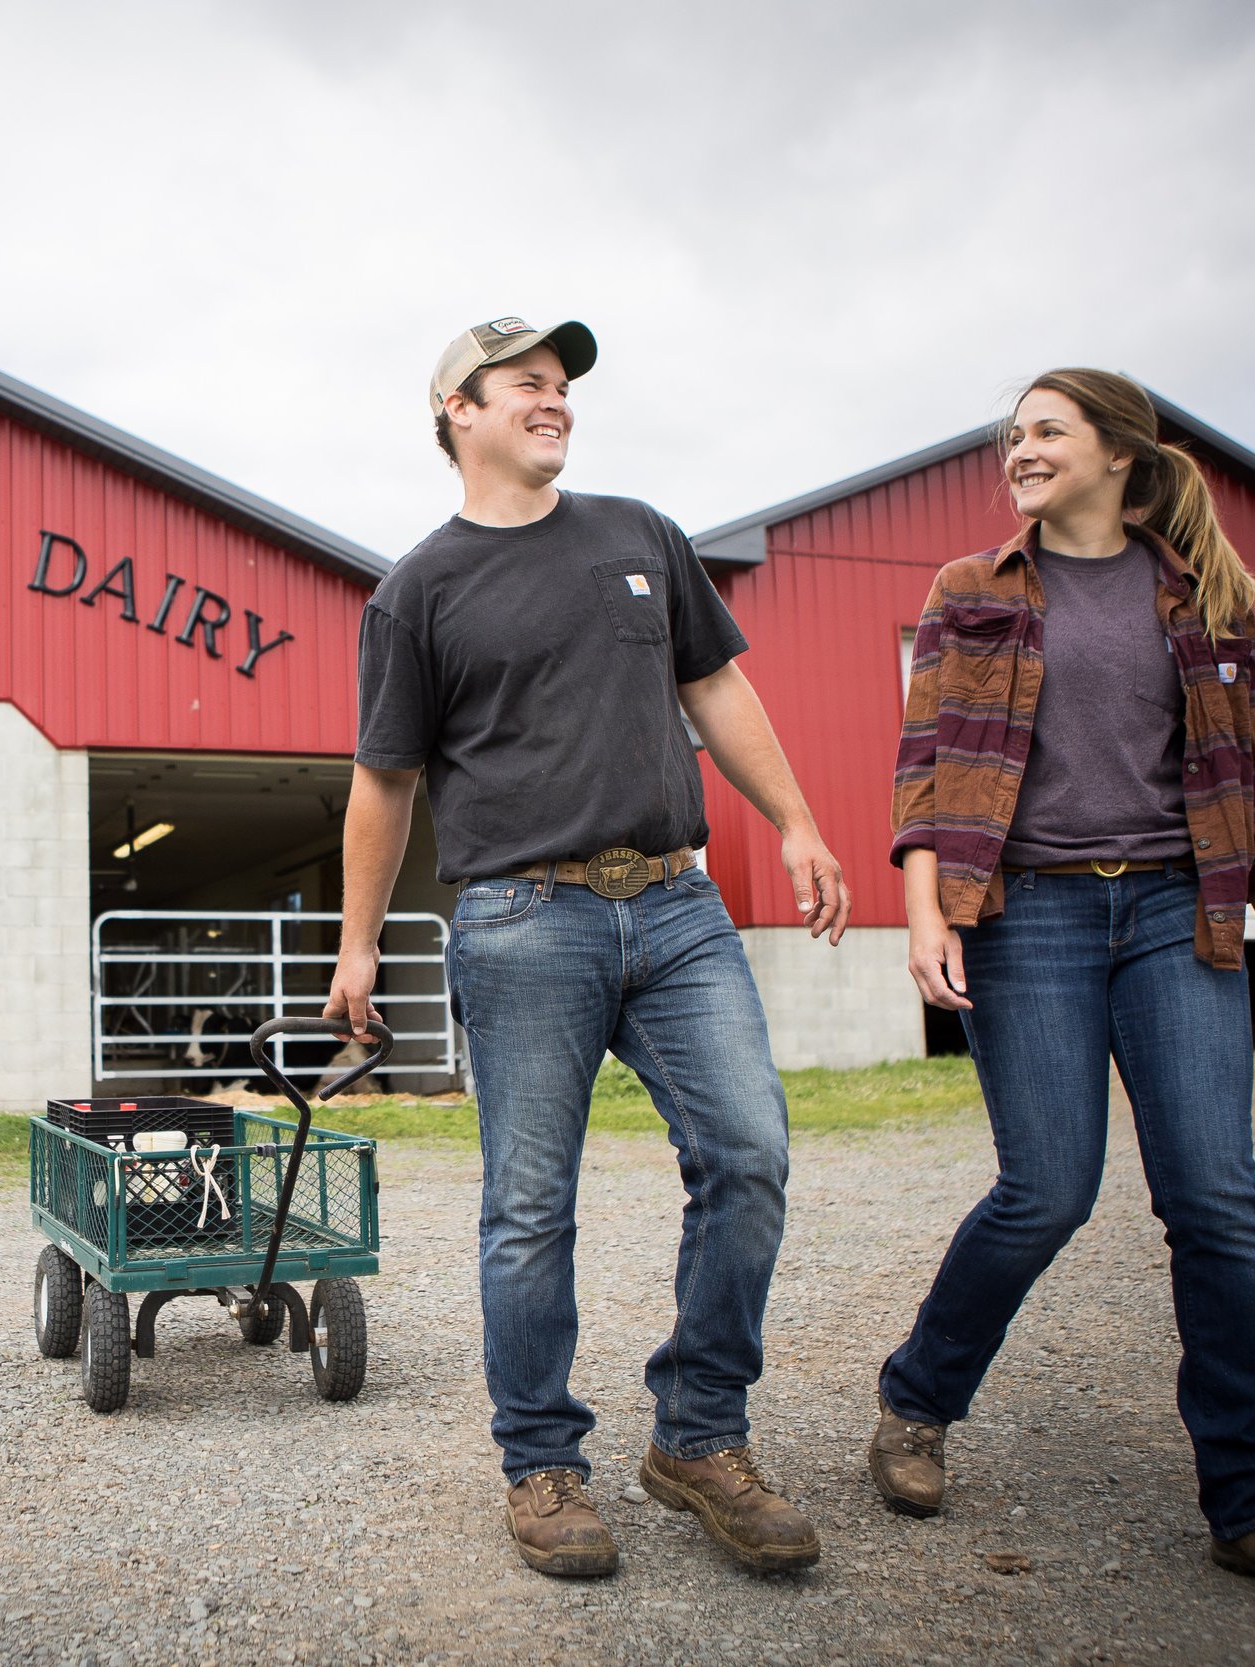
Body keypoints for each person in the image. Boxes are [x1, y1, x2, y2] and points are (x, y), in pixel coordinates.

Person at [325, 316, 851, 1579]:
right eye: (527, 386)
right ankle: (543, 1463)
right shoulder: (419, 588)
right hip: (520, 920)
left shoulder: (638, 535)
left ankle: (699, 1436)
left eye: (563, 387)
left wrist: (795, 823)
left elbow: (715, 687)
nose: (554, 402)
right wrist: (354, 949)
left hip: (676, 905)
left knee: (750, 1153)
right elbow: (382, 781)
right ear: (459, 407)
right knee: (527, 1207)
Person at [875, 367, 1255, 1615]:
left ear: (1117, 454)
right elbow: (925, 762)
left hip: (1174, 912)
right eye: (1013, 434)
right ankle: (917, 1398)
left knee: (1214, 1200)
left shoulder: (1204, 596)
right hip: (1025, 910)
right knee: (1046, 1188)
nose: (1019, 450)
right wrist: (927, 912)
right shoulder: (970, 588)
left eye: (1046, 431)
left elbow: (1252, 783)